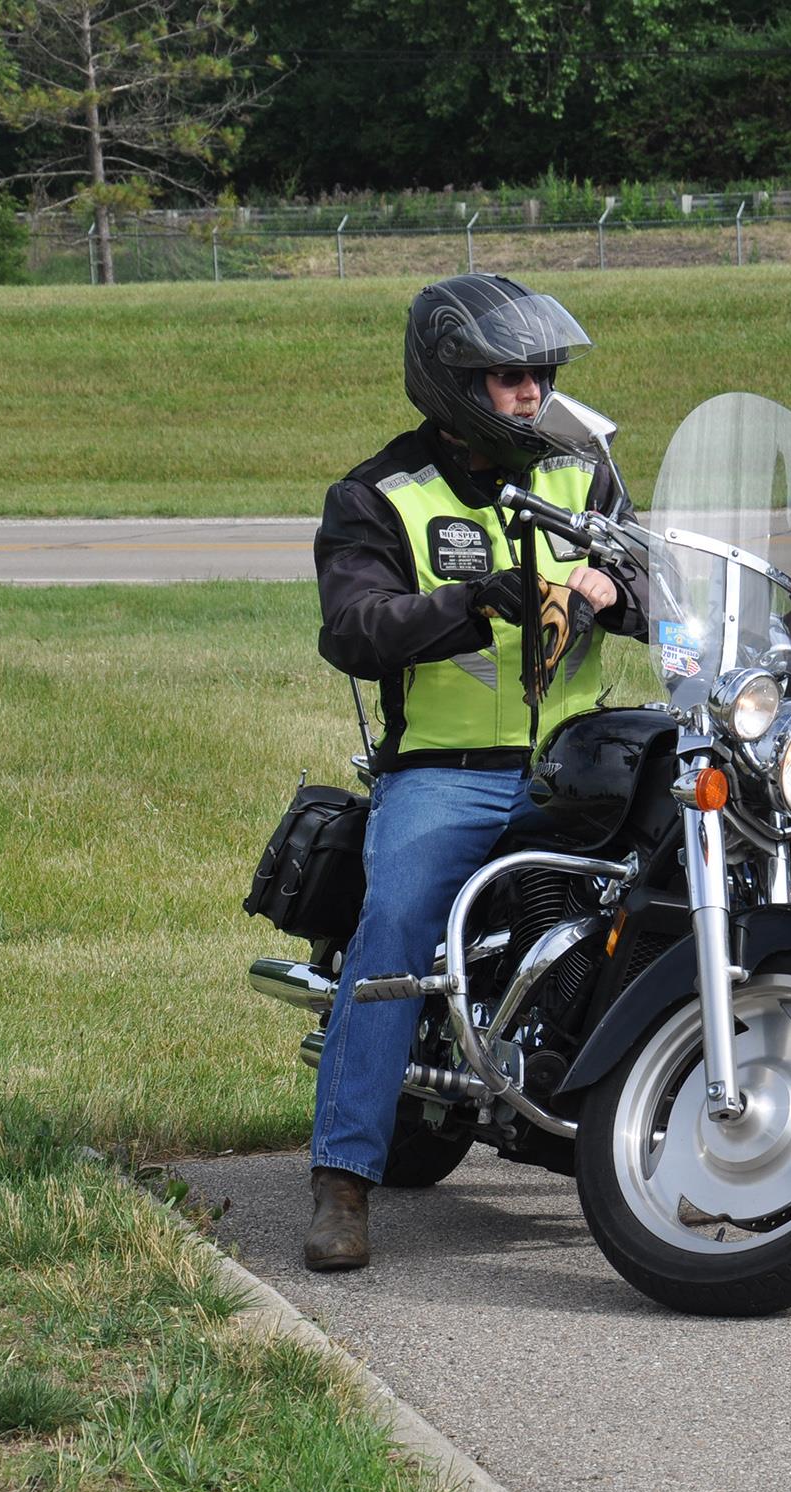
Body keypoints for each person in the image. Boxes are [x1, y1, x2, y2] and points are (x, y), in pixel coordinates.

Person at [302, 272, 646, 1269]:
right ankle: (344, 1179)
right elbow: (354, 629)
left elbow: (662, 580)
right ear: (453, 381)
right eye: (508, 377)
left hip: (579, 765)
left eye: (540, 374)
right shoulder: (379, 497)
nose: (532, 392)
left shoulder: (583, 475)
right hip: (448, 772)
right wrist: (481, 600)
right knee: (400, 925)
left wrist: (616, 590)